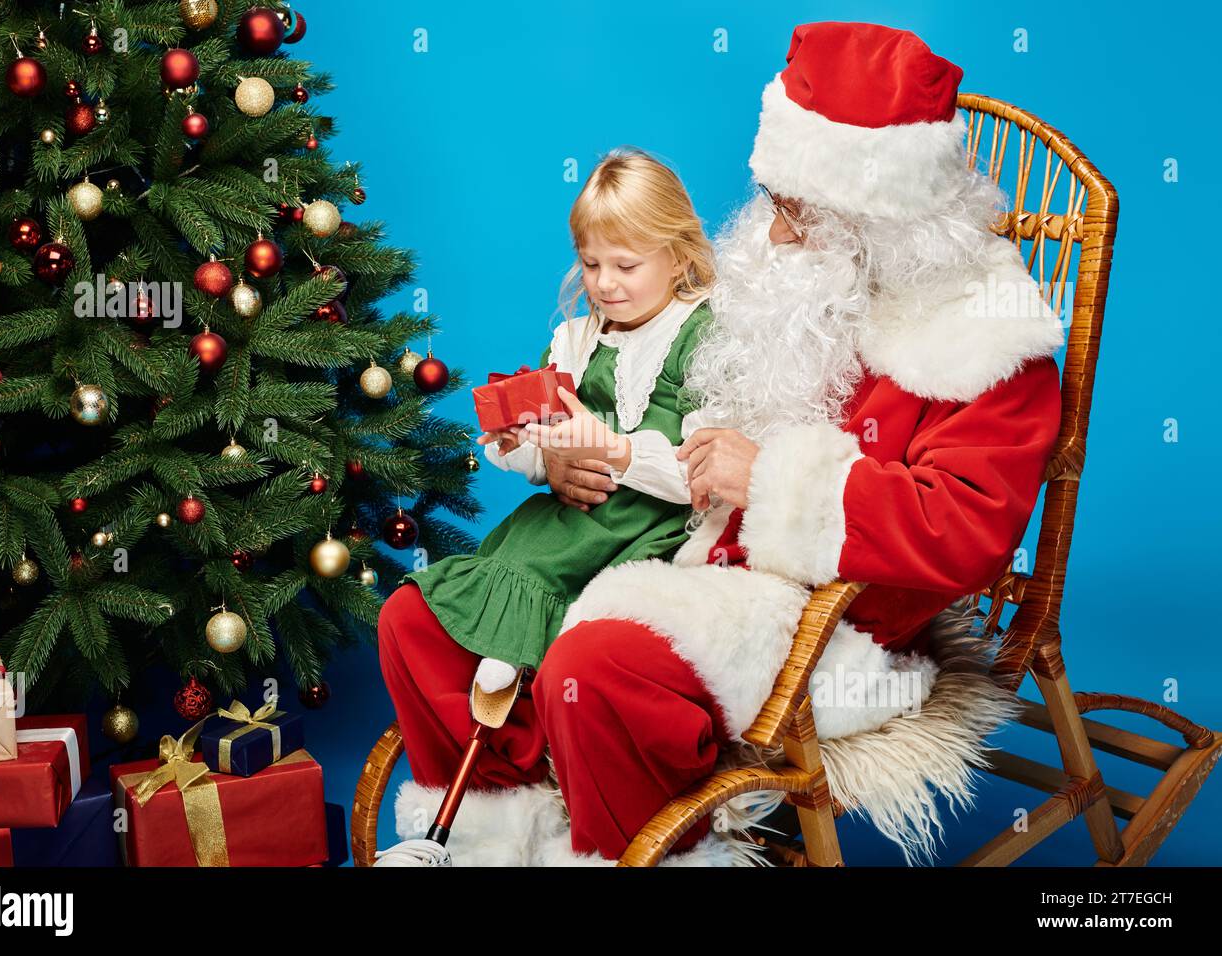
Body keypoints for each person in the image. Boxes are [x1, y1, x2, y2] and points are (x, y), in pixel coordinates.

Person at [384, 21, 1066, 867]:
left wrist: (774, 481)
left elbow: (963, 530)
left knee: (592, 666)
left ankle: (649, 851)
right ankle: (501, 838)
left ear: (877, 223)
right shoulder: (772, 296)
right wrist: (561, 452)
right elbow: (644, 405)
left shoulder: (980, 352)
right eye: (771, 202)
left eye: (792, 214)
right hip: (668, 544)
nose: (767, 236)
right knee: (424, 623)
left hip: (826, 622)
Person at [377, 148, 719, 839]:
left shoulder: (703, 332)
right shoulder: (575, 337)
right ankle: (498, 808)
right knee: (410, 618)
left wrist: (616, 451)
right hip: (563, 524)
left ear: (680, 257)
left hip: (645, 538)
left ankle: (544, 755)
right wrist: (524, 446)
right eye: (592, 265)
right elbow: (547, 445)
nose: (606, 284)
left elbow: (701, 473)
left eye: (627, 266)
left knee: (564, 648)